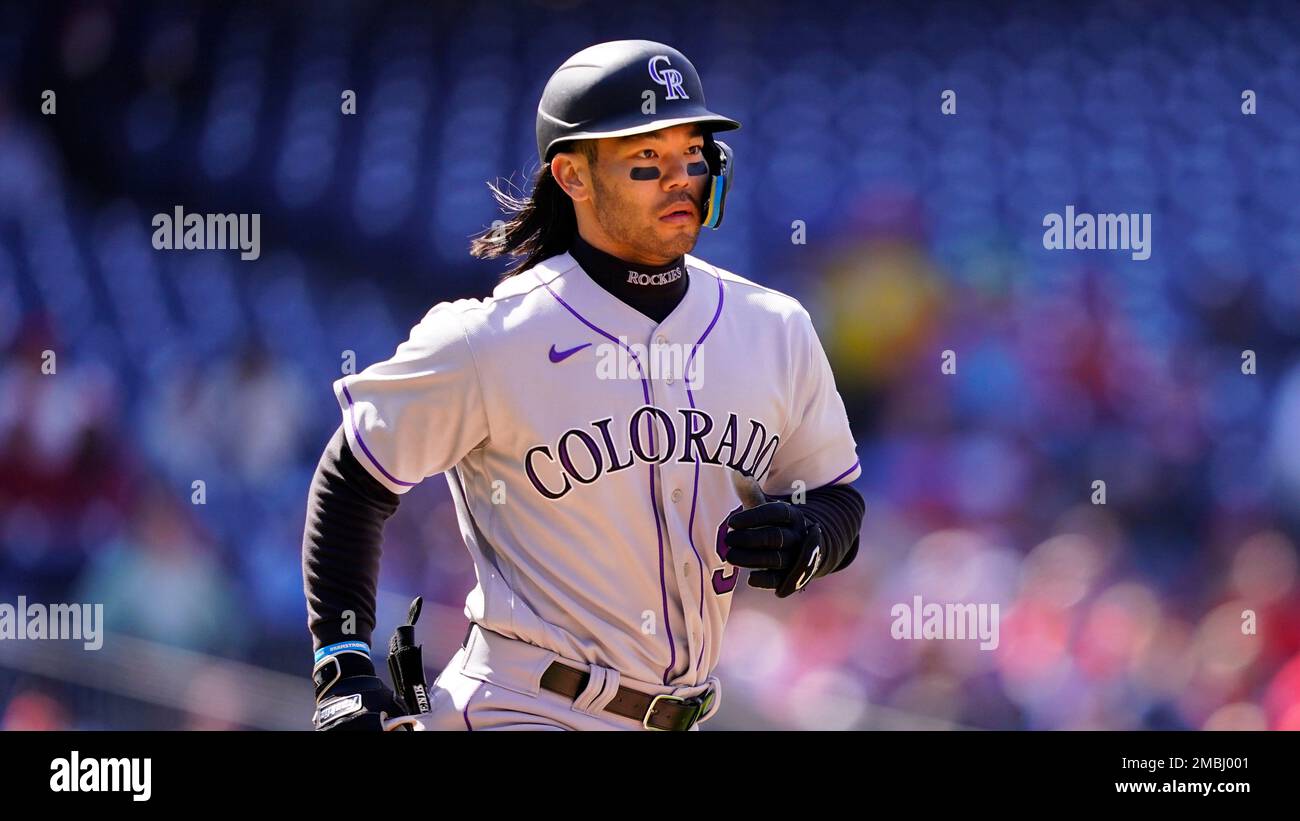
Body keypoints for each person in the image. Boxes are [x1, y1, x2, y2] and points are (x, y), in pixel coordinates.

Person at [302, 40, 865, 731]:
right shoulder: (491, 337)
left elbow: (838, 497)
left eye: (692, 154)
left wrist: (813, 535)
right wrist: (344, 663)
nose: (681, 178)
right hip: (526, 704)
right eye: (647, 160)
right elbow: (353, 476)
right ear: (572, 174)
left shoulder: (775, 327)